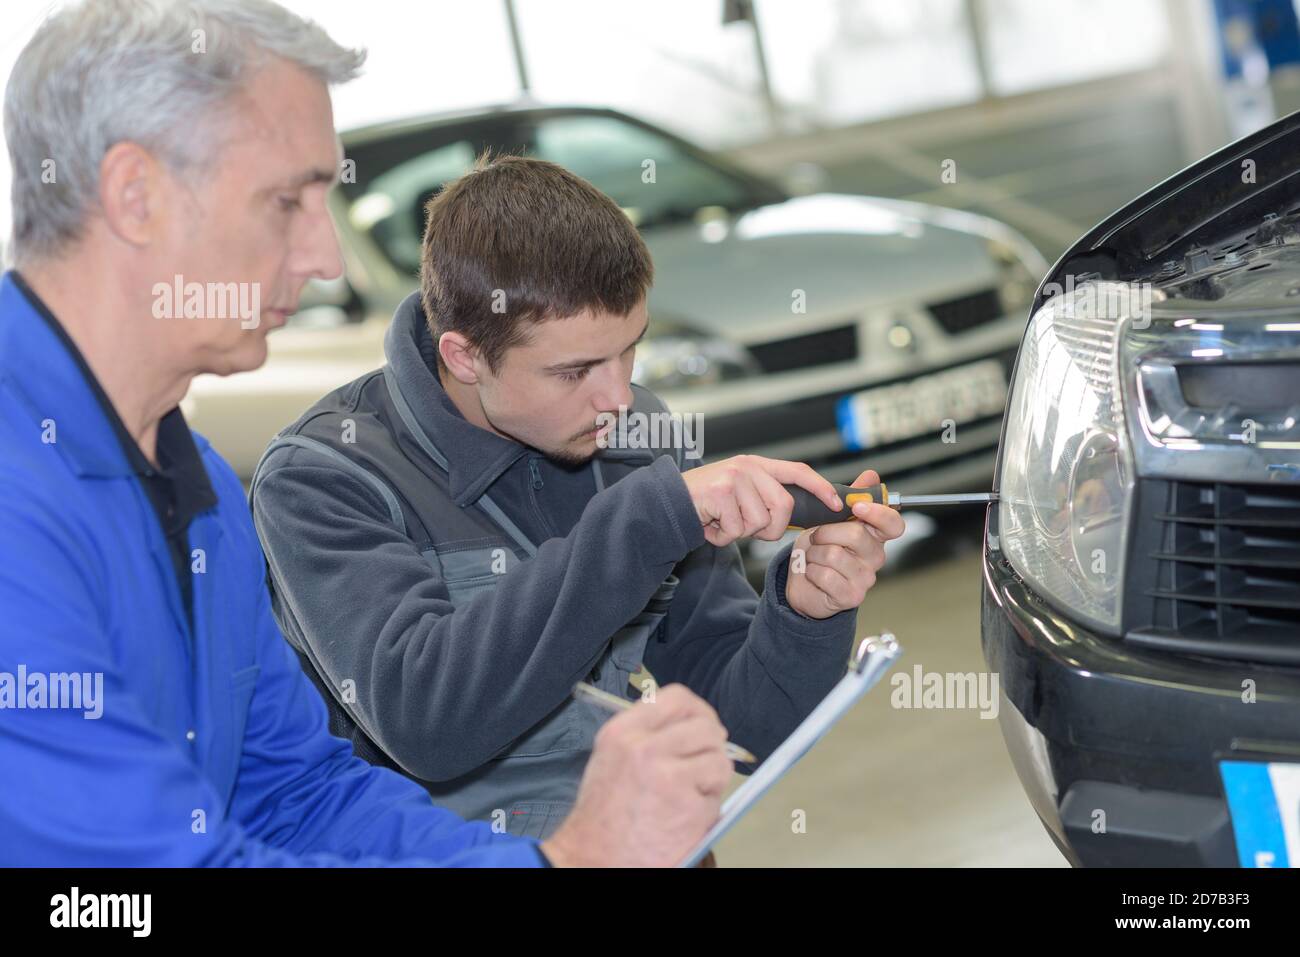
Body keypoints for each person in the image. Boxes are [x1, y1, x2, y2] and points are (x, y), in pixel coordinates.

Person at [0, 0, 734, 868]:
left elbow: (296, 793)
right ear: (137, 195)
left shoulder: (192, 482)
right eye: (287, 201)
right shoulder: (20, 496)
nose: (327, 259)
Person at [249, 151, 906, 838]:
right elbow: (426, 722)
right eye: (575, 371)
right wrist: (648, 522)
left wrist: (804, 611)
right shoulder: (326, 475)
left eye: (629, 351)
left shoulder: (633, 435)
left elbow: (747, 727)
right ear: (464, 355)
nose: (618, 397)